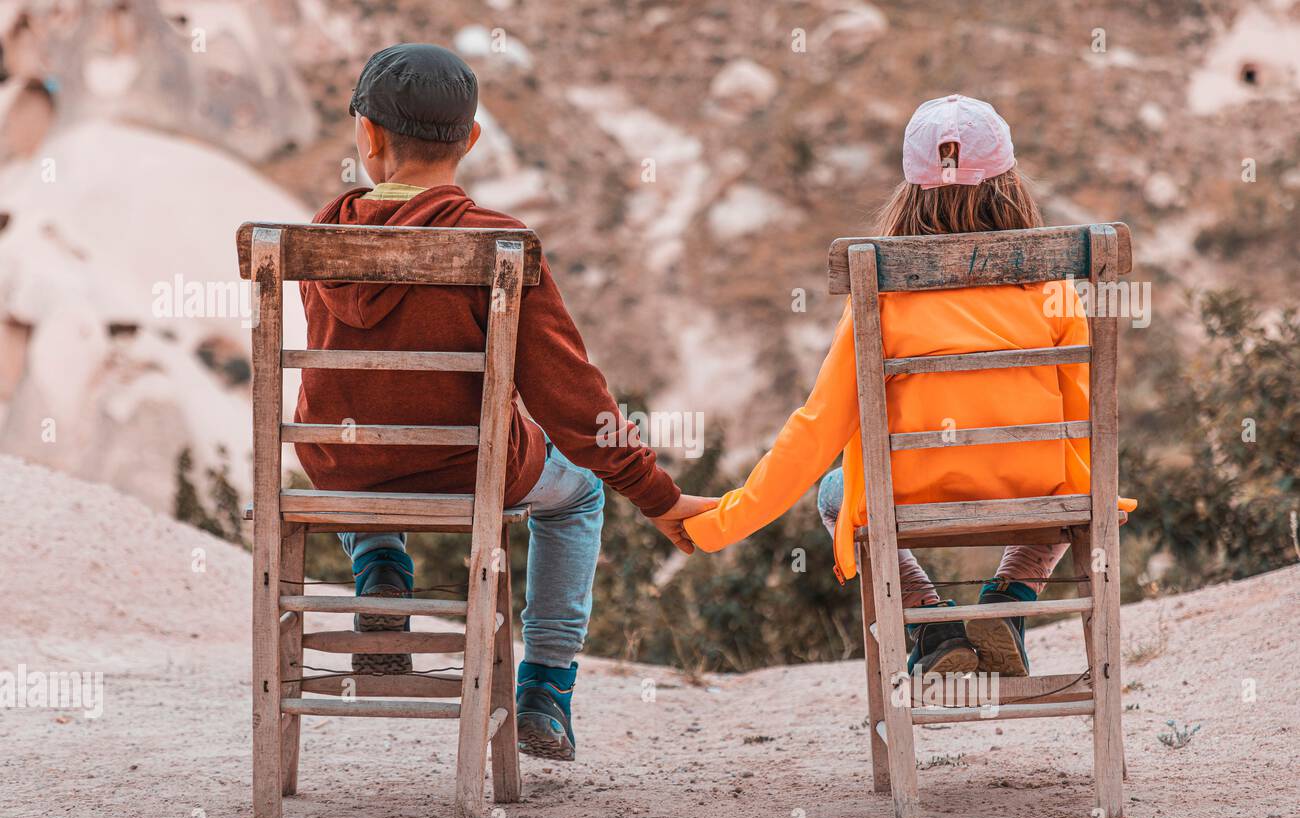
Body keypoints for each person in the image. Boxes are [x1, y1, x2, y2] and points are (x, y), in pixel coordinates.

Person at [296, 44, 715, 761]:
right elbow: (573, 403)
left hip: (345, 466)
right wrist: (657, 496)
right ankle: (544, 693)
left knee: (366, 457)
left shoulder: (320, 240)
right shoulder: (499, 245)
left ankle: (380, 570)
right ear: (473, 140)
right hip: (469, 470)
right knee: (579, 492)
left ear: (367, 136)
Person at [685, 95, 1135, 677]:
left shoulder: (883, 297)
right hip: (1038, 486)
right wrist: (1102, 494)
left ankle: (930, 618)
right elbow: (1083, 419)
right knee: (1076, 484)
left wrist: (722, 522)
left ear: (910, 191)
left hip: (910, 495)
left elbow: (817, 428)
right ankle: (1010, 600)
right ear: (1011, 185)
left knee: (832, 491)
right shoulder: (1051, 287)